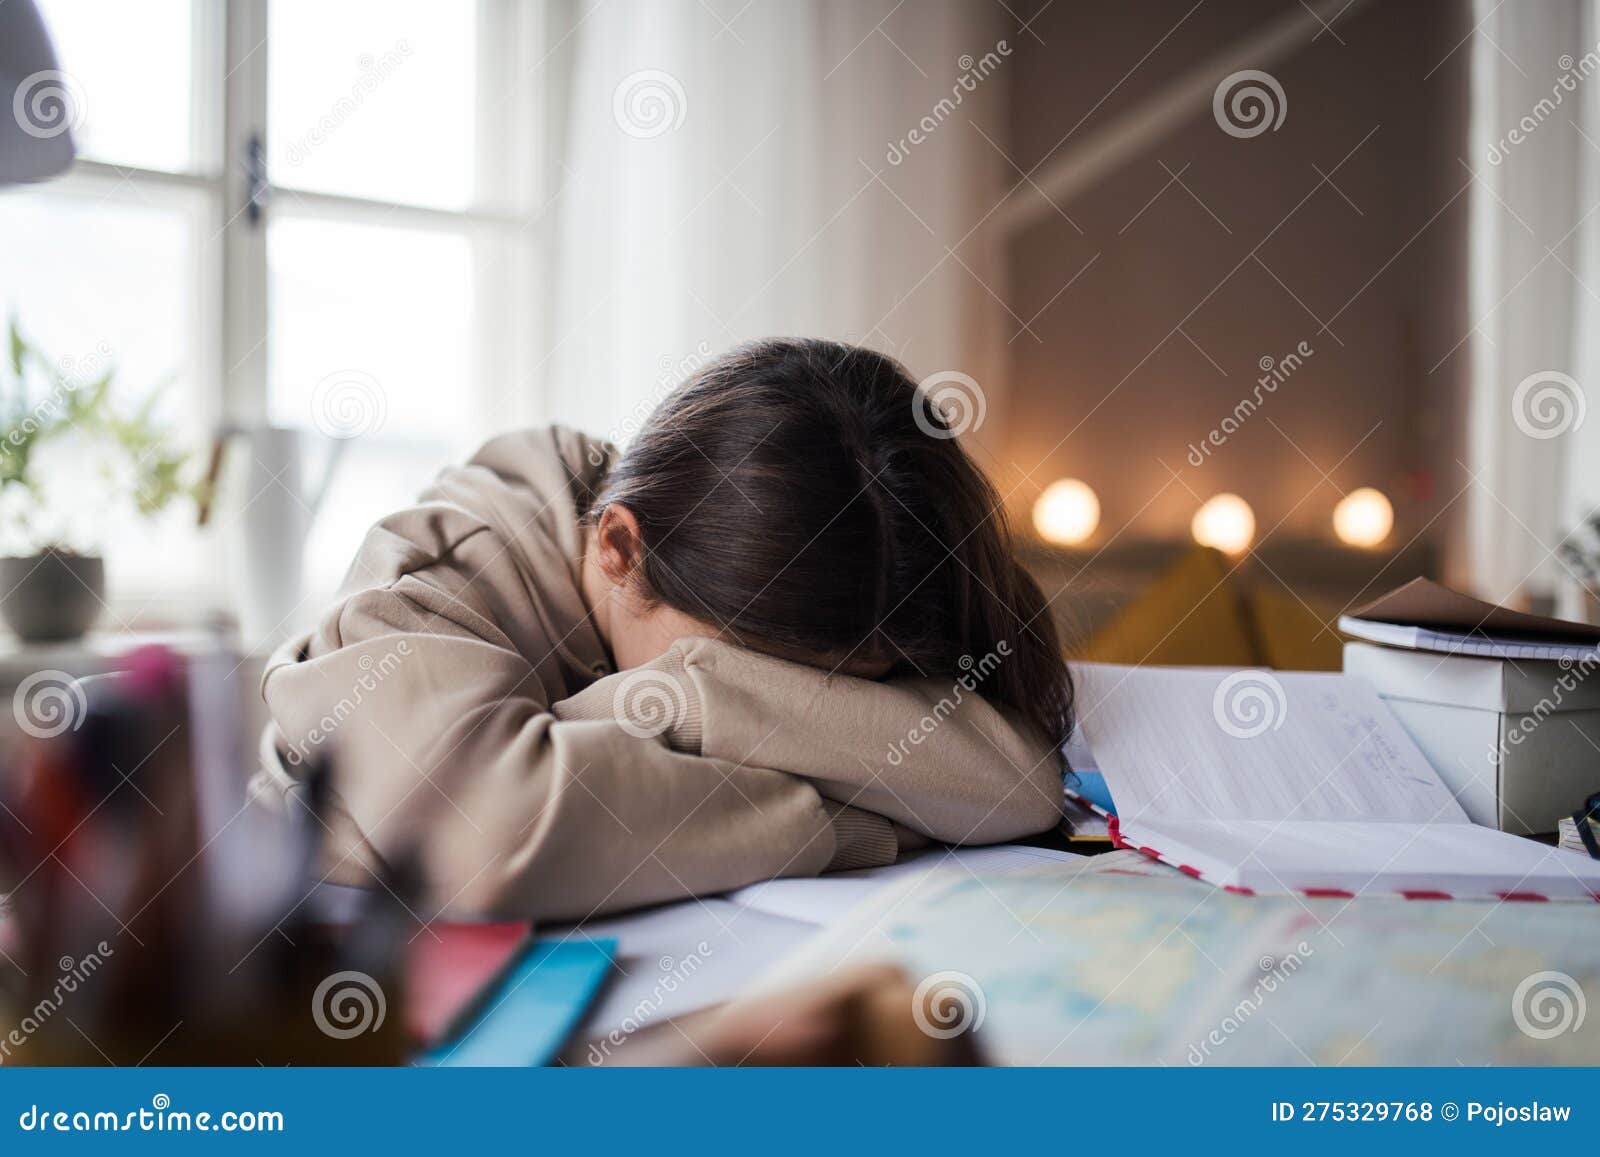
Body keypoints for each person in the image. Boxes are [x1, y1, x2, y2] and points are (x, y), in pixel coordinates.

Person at [256, 338, 1074, 920]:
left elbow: (1015, 782)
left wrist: (649, 708)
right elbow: (484, 842)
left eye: (841, 695)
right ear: (618, 548)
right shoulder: (426, 585)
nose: (804, 714)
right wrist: (848, 822)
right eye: (762, 672)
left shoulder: (793, 557)